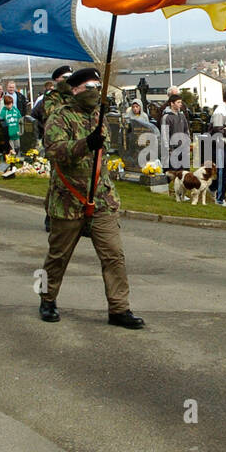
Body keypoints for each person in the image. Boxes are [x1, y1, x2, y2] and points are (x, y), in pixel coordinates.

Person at [38, 67, 143, 329]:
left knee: (114, 256)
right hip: (68, 199)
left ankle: (119, 309)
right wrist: (86, 143)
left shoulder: (99, 115)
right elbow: (54, 150)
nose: (96, 92)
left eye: (98, 87)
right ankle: (45, 297)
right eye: (90, 88)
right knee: (57, 256)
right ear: (75, 90)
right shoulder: (59, 117)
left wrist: (96, 140)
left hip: (101, 199)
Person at [35, 65, 74, 231]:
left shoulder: (75, 95)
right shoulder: (51, 98)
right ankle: (50, 215)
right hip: (57, 146)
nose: (69, 81)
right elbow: (52, 114)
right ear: (58, 80)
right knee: (57, 182)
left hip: (75, 145)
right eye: (65, 78)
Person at [209, 92, 226, 207]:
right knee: (222, 171)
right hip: (220, 144)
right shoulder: (221, 110)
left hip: (224, 144)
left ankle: (212, 187)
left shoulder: (225, 109)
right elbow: (217, 129)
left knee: (225, 170)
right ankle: (220, 199)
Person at [160, 96, 190, 174]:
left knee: (184, 173)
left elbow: (186, 130)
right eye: (178, 102)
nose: (181, 104)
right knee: (172, 174)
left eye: (181, 102)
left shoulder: (182, 115)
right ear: (172, 104)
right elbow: (164, 135)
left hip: (183, 148)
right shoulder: (166, 117)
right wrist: (169, 149)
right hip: (173, 150)